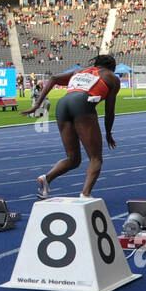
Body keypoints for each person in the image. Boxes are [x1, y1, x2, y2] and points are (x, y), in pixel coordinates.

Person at [23, 54, 120, 198]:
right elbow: (109, 110)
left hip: (63, 104)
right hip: (82, 103)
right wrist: (108, 133)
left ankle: (46, 179)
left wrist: (37, 104)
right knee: (96, 158)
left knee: (73, 159)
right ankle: (86, 194)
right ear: (112, 67)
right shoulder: (111, 77)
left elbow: (54, 78)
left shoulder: (79, 71)